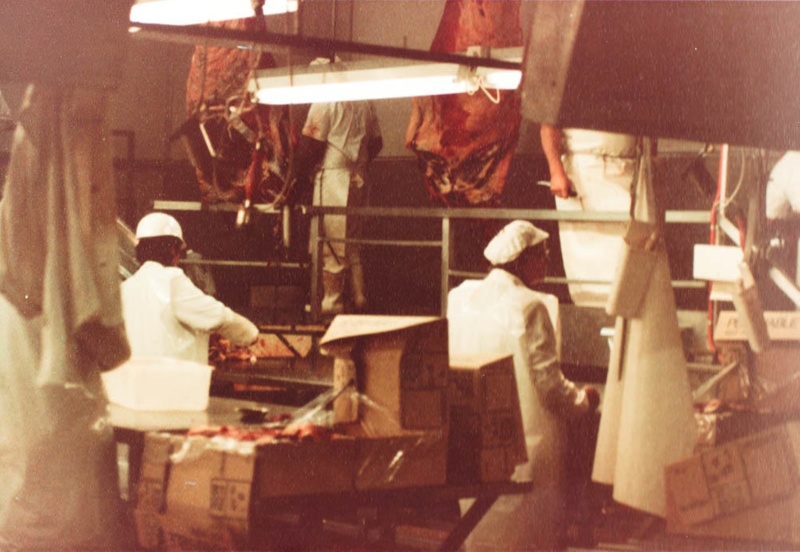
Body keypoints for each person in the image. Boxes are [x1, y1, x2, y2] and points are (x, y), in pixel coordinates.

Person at [447, 220, 600, 550]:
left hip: (475, 441)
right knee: (526, 533)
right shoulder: (533, 306)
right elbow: (549, 386)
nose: (546, 262)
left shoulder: (460, 298)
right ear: (522, 260)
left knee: (479, 529)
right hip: (529, 446)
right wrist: (584, 400)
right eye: (542, 255)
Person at [291, 59, 383, 317]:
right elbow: (377, 143)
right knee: (351, 244)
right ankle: (359, 296)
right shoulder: (364, 100)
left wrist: (298, 177)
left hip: (333, 180)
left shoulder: (325, 99)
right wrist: (357, 160)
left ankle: (331, 305)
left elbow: (310, 145)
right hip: (358, 180)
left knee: (331, 244)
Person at [121, 212, 259, 364]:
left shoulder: (126, 288)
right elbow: (218, 316)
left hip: (133, 382)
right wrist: (251, 335)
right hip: (171, 381)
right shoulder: (171, 281)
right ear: (173, 250)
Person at [540, 125, 641, 307]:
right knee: (589, 270)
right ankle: (594, 319)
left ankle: (623, 327)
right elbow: (548, 124)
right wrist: (556, 171)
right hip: (585, 172)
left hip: (629, 170)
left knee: (629, 261)